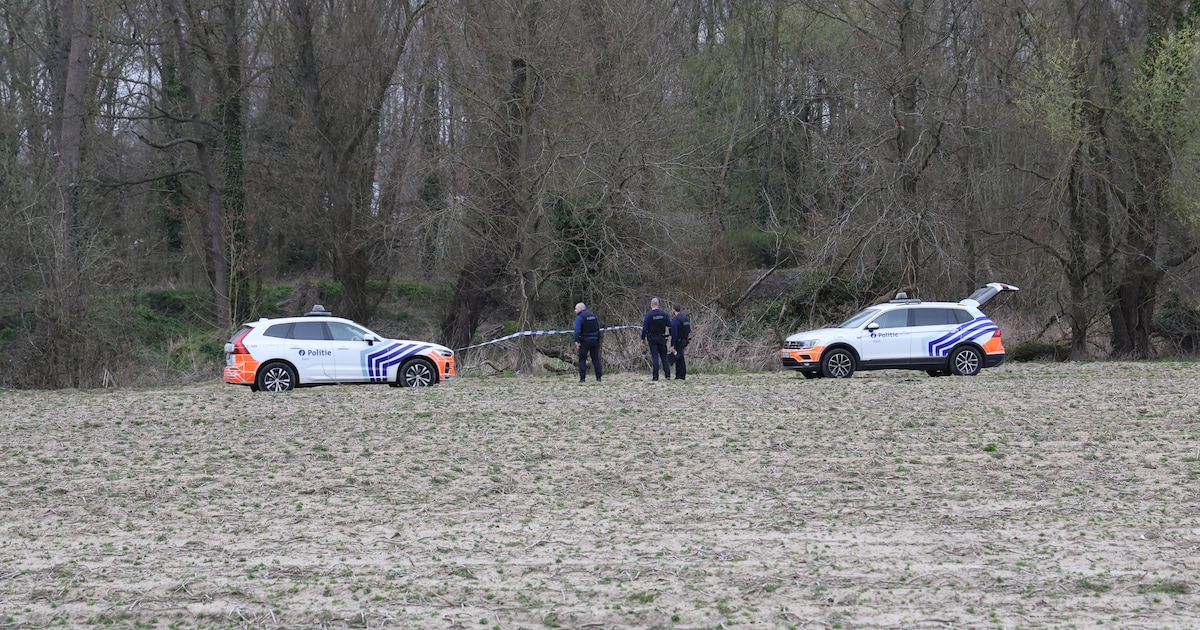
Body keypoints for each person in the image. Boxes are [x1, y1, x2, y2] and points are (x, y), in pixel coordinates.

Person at [640, 297, 671, 381]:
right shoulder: (664, 314)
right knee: (664, 356)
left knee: (655, 357)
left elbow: (645, 328)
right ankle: (667, 375)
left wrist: (642, 338)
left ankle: (655, 377)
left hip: (652, 338)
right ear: (658, 305)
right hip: (662, 337)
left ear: (651, 305)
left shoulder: (649, 315)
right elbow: (670, 324)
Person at [573, 302, 602, 383]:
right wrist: (597, 339)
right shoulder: (594, 316)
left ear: (580, 309)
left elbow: (577, 330)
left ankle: (582, 379)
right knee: (595, 359)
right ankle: (598, 378)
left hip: (584, 341)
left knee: (582, 359)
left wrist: (576, 340)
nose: (575, 310)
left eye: (576, 309)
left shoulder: (580, 317)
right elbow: (598, 328)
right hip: (594, 340)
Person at [669, 303, 691, 380]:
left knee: (679, 358)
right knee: (680, 357)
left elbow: (674, 333)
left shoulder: (676, 320)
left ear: (673, 309)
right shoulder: (686, 318)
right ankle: (680, 375)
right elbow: (689, 330)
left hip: (678, 341)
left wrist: (672, 345)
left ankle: (680, 375)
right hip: (685, 340)